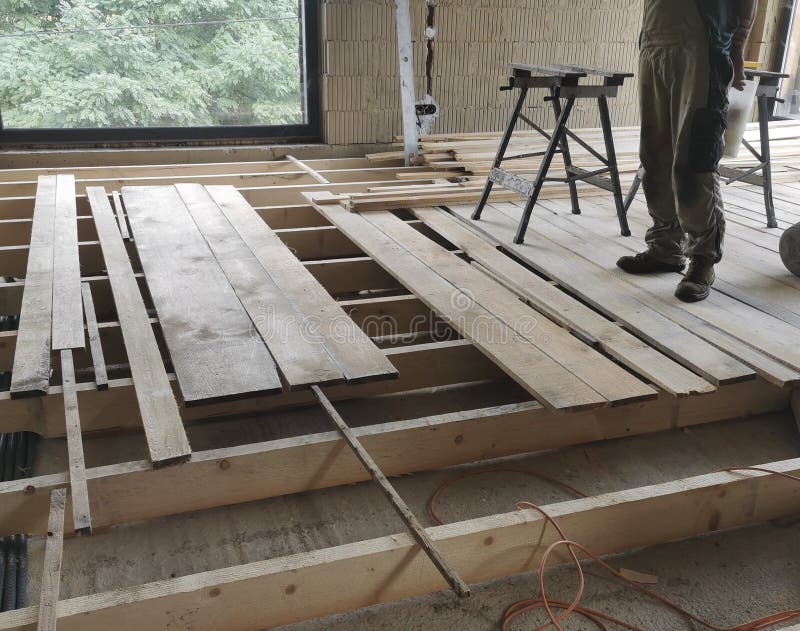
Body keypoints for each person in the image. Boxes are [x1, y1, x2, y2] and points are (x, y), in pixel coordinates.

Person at [616, 0, 757, 302]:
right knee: (655, 157)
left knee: (695, 160)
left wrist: (737, 50)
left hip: (702, 47)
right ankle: (665, 247)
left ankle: (703, 261)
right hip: (655, 45)